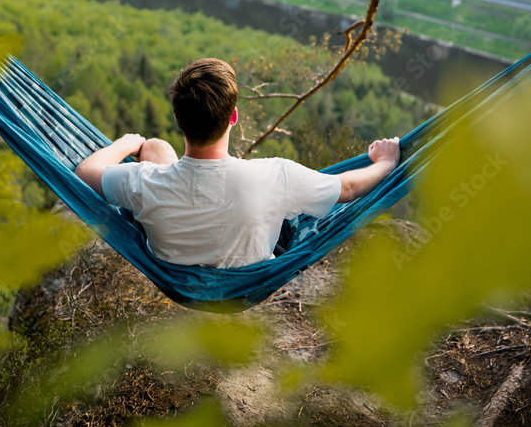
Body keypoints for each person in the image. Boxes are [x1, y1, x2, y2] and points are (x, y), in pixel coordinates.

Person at [75, 57, 400, 269]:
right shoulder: (275, 176)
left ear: (178, 118)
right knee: (279, 205)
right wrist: (386, 162)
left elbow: (83, 173)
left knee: (155, 148)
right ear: (233, 117)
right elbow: (350, 187)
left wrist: (127, 143)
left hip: (173, 270)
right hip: (245, 282)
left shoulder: (142, 183)